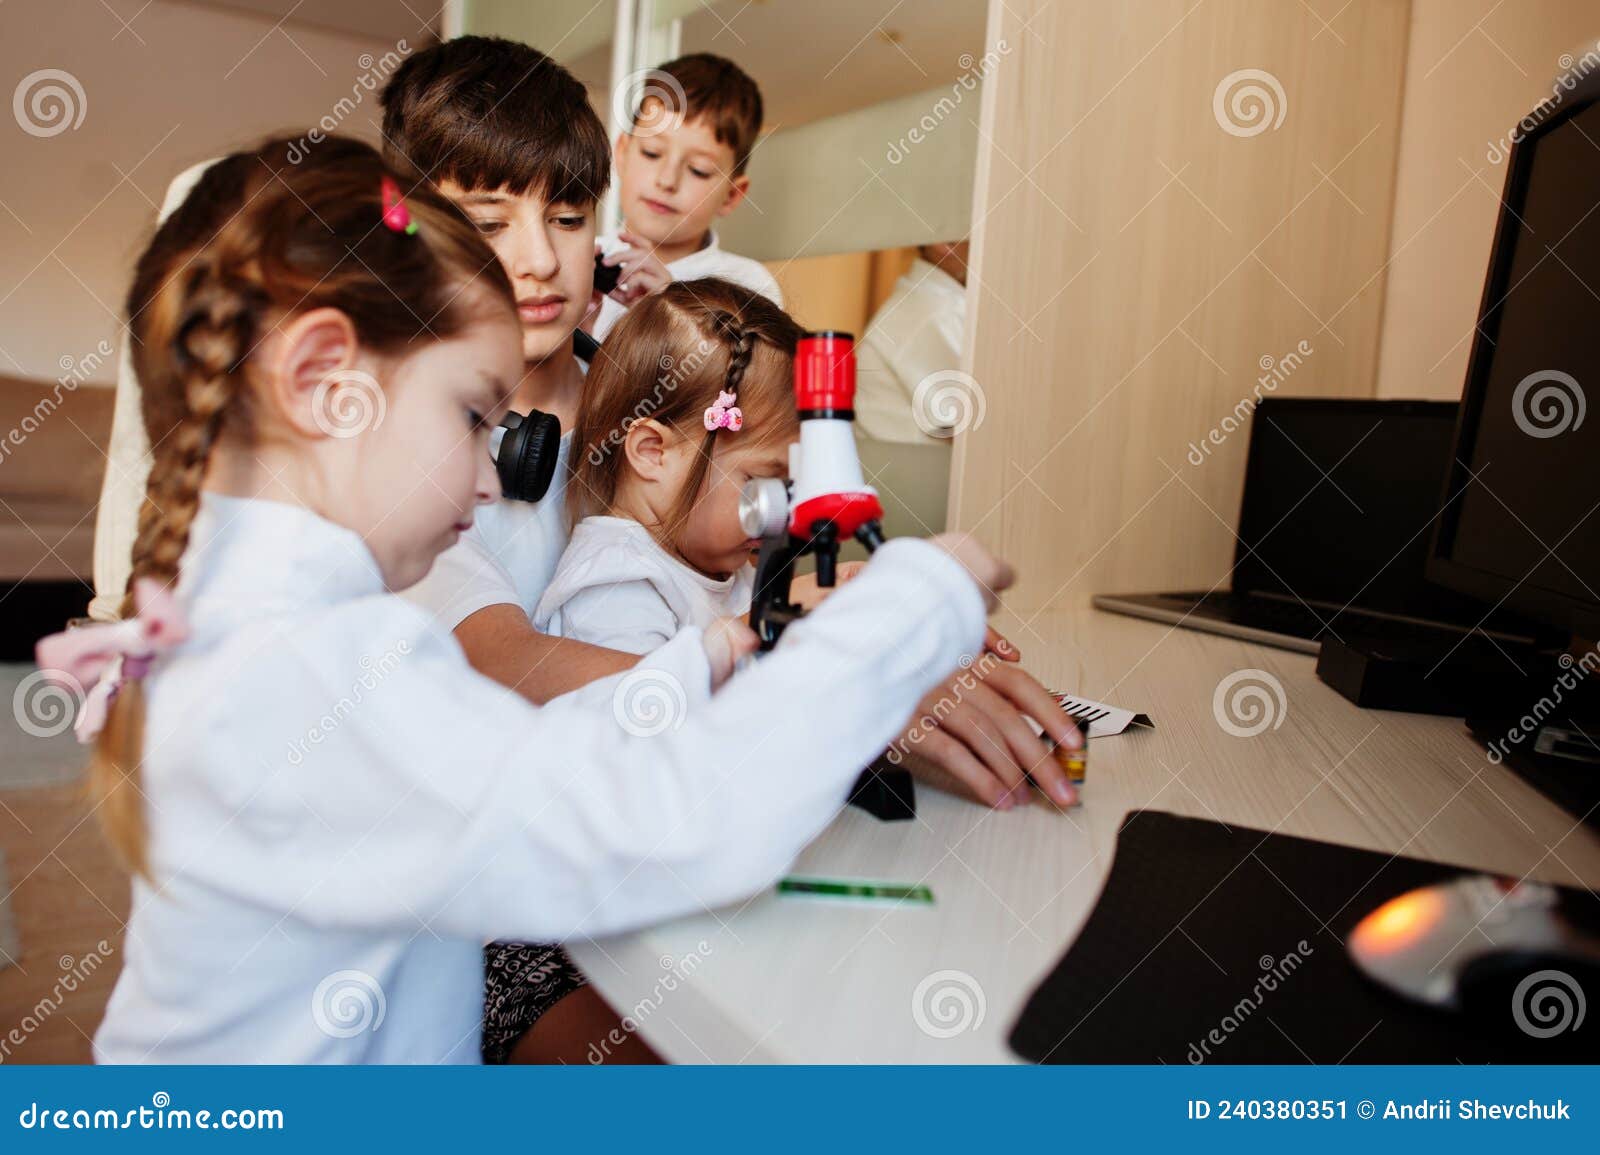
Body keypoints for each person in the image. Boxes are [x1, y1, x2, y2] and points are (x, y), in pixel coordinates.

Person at [39, 136, 1010, 1064]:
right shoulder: (320, 670)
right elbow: (677, 826)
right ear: (324, 382)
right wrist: (916, 603)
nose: (491, 472)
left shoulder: (260, 625)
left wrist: (695, 663)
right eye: (471, 415)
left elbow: (523, 758)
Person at [593, 53, 782, 342]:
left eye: (698, 170)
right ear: (621, 154)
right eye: (651, 153)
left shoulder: (749, 287)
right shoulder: (585, 262)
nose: (667, 181)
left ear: (731, 195)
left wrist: (669, 313)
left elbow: (752, 384)